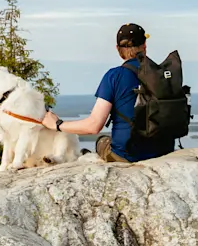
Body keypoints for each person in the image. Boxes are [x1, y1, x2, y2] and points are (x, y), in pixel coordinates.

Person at [40, 23, 176, 163]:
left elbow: (93, 126)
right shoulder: (162, 74)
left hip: (128, 156)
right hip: (164, 152)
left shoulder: (115, 76)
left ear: (118, 49)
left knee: (102, 142)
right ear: (145, 46)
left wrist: (57, 124)